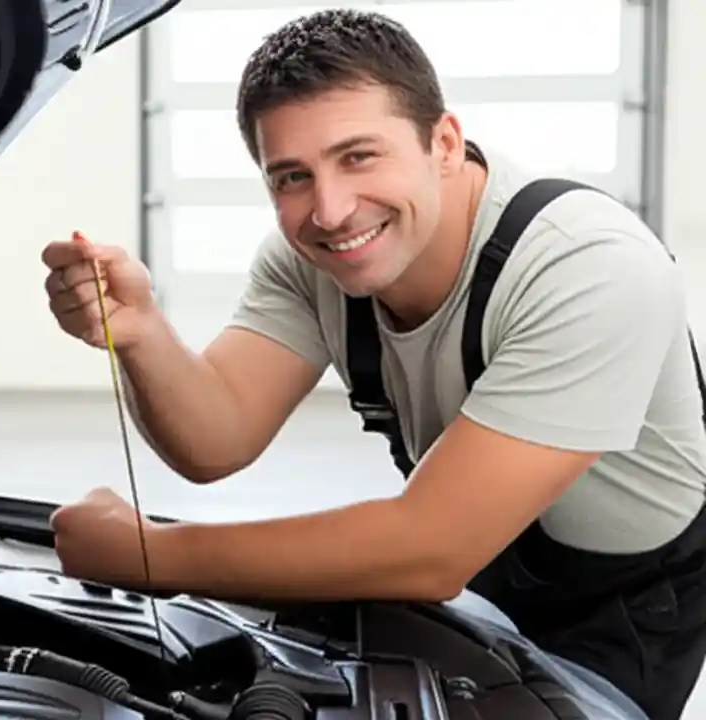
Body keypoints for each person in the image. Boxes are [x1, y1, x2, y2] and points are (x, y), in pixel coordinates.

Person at [40, 8, 706, 720]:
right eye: (291, 176)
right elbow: (216, 438)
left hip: (613, 626)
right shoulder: (315, 262)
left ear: (443, 142)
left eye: (359, 156)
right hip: (471, 587)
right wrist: (142, 333)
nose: (329, 210)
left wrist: (151, 556)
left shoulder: (589, 267)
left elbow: (432, 548)